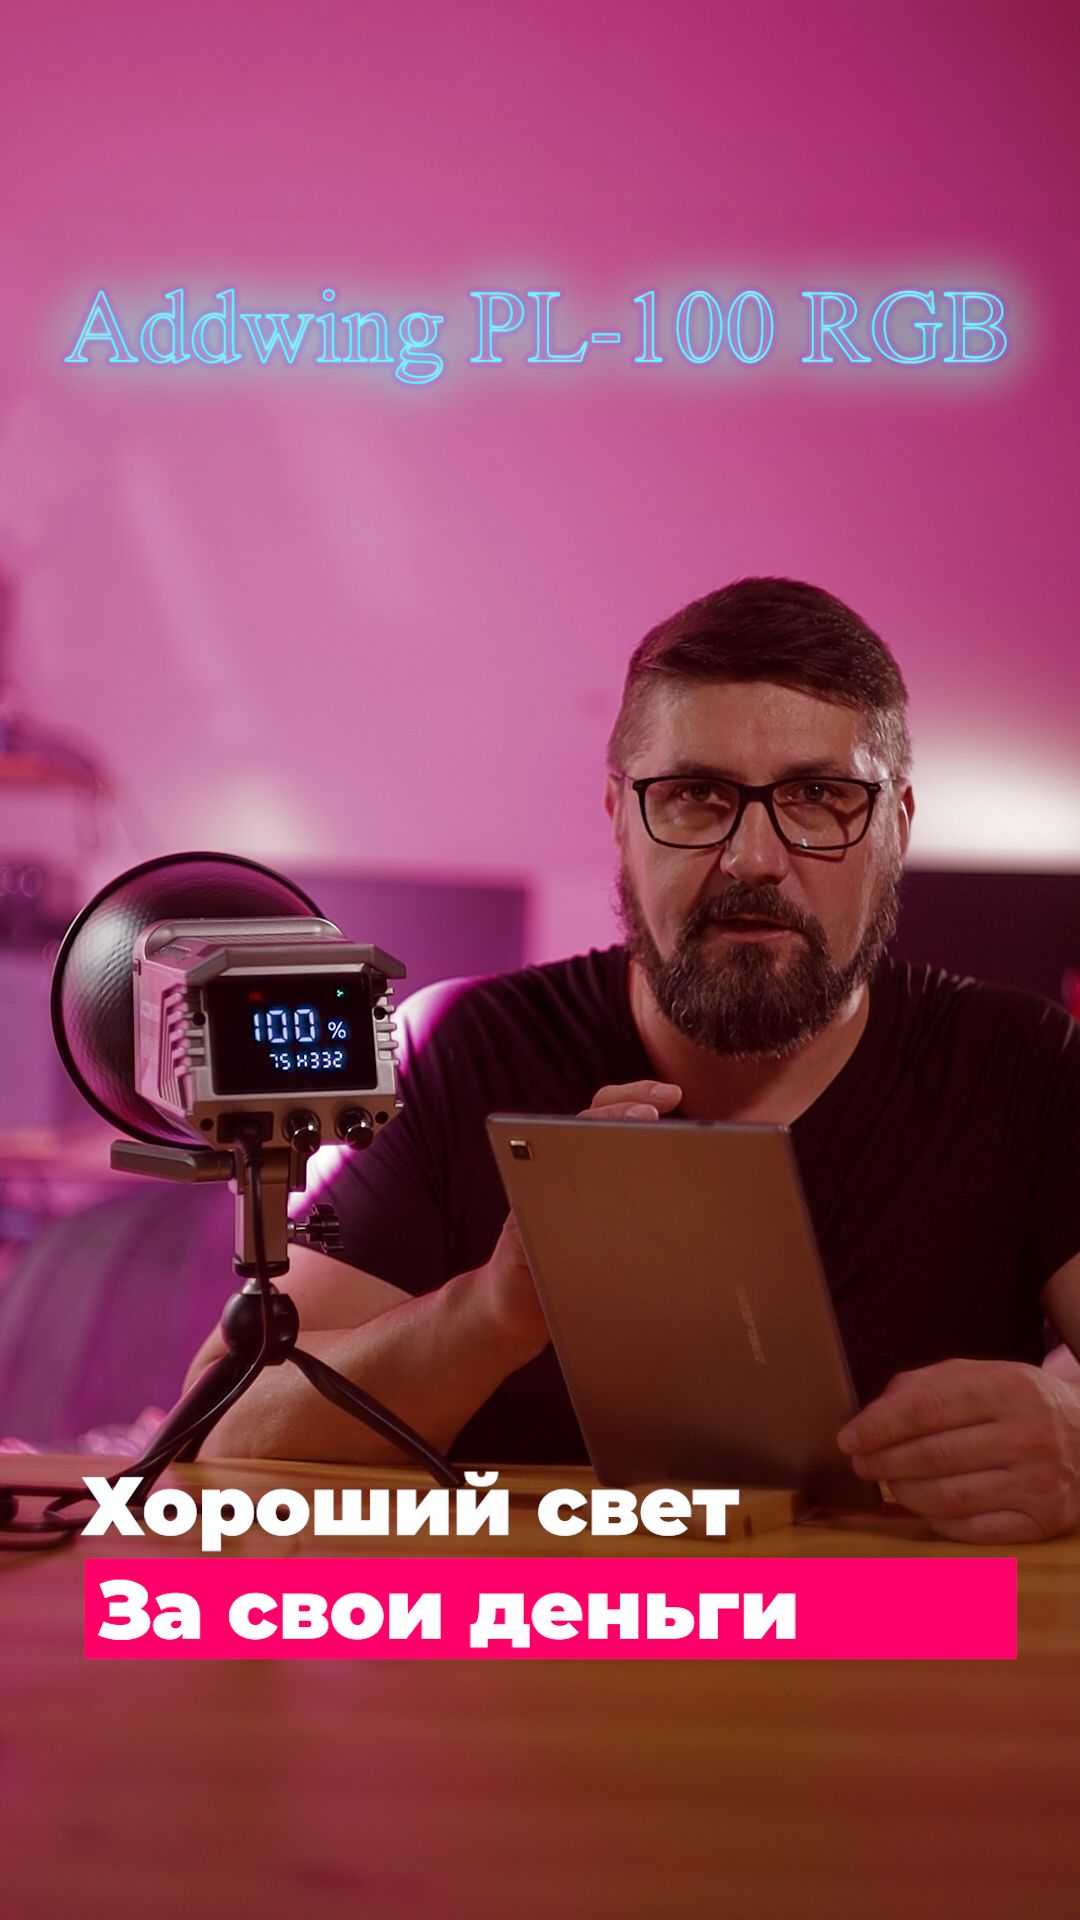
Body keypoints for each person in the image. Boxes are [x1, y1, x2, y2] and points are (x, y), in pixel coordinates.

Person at [186, 577, 1080, 1542]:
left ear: (897, 824)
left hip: (901, 1637)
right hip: (545, 1634)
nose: (752, 858)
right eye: (695, 796)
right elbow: (225, 1427)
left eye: (819, 798)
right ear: (617, 812)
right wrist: (491, 1314)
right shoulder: (456, 1049)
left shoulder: (1025, 1070)